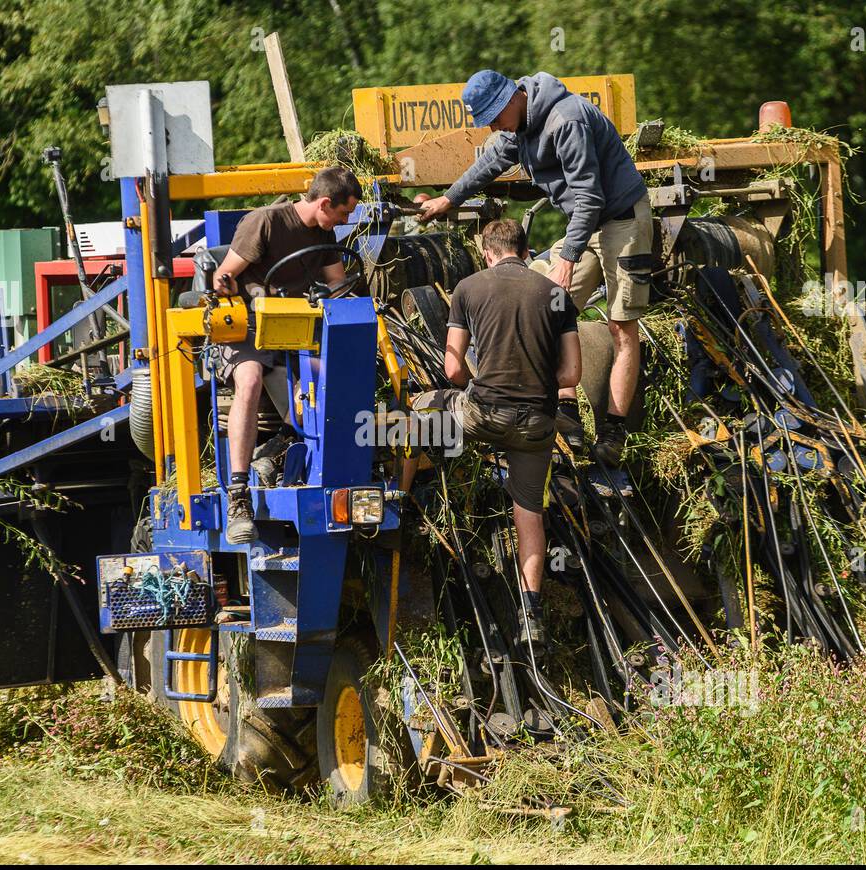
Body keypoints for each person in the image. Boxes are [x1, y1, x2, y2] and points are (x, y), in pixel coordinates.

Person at [418, 69, 652, 464]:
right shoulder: (517, 126)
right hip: (584, 221)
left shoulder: (566, 120)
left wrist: (568, 257)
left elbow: (590, 198)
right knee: (543, 305)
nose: (493, 126)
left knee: (621, 325)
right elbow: (489, 163)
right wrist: (449, 199)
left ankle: (613, 432)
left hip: (621, 219)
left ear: (514, 97)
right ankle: (566, 412)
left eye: (494, 116)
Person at [410, 218, 580, 644]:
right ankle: (532, 613)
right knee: (529, 514)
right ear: (526, 252)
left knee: (411, 416)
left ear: (487, 253)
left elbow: (451, 368)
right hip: (537, 425)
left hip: (482, 415)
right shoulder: (557, 295)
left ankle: (403, 503)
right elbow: (572, 373)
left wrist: (476, 387)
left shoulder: (468, 288)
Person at [210, 167, 362, 543]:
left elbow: (338, 285)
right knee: (249, 380)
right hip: (247, 330)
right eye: (344, 213)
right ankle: (238, 495)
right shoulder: (264, 222)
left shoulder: (325, 235)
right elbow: (224, 275)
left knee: (328, 381)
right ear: (325, 202)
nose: (345, 221)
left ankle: (284, 454)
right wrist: (235, 290)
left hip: (291, 331)